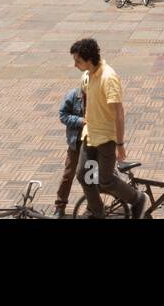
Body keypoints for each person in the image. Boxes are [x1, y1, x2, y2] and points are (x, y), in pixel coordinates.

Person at [71, 38, 146, 219]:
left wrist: (120, 144)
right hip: (90, 136)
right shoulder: (87, 75)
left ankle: (137, 199)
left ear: (89, 59)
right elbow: (85, 97)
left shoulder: (108, 77)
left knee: (106, 181)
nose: (75, 65)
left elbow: (119, 114)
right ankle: (96, 211)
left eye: (78, 61)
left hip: (106, 139)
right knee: (83, 175)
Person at [53, 83, 86, 217]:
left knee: (92, 176)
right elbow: (63, 115)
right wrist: (80, 121)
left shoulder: (98, 95)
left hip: (93, 143)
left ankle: (93, 204)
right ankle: (60, 206)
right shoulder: (73, 95)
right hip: (76, 143)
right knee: (68, 174)